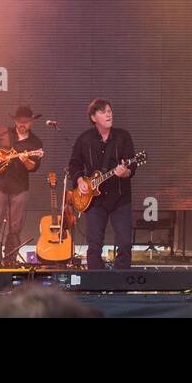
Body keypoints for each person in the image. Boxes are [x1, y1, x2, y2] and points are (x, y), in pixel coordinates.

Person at [67, 99, 138, 270]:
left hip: (120, 198)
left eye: (110, 111)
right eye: (103, 111)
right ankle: (96, 284)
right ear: (93, 117)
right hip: (94, 201)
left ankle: (121, 283)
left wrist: (125, 172)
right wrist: (80, 180)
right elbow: (74, 164)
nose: (108, 114)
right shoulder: (84, 140)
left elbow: (132, 166)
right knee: (94, 244)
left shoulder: (123, 137)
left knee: (125, 243)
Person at [0, 105, 45, 265]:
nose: (22, 125)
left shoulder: (35, 143)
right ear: (15, 121)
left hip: (19, 188)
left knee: (15, 229)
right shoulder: (2, 132)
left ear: (32, 122)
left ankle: (9, 261)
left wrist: (26, 160)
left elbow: (33, 167)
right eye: (19, 122)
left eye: (26, 122)